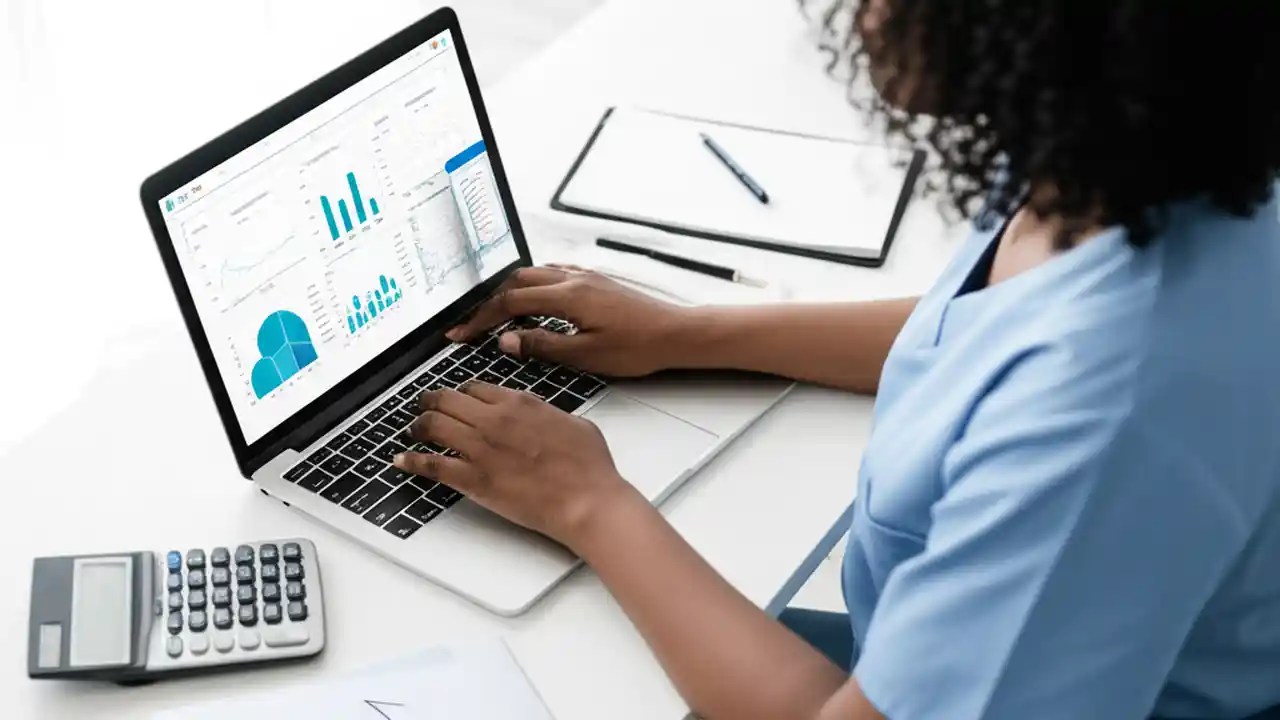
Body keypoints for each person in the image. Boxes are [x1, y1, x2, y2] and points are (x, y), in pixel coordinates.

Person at [393, 1, 1280, 718]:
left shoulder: (1111, 407)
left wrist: (590, 503)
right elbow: (988, 328)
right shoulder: (1124, 160)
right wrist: (687, 334)